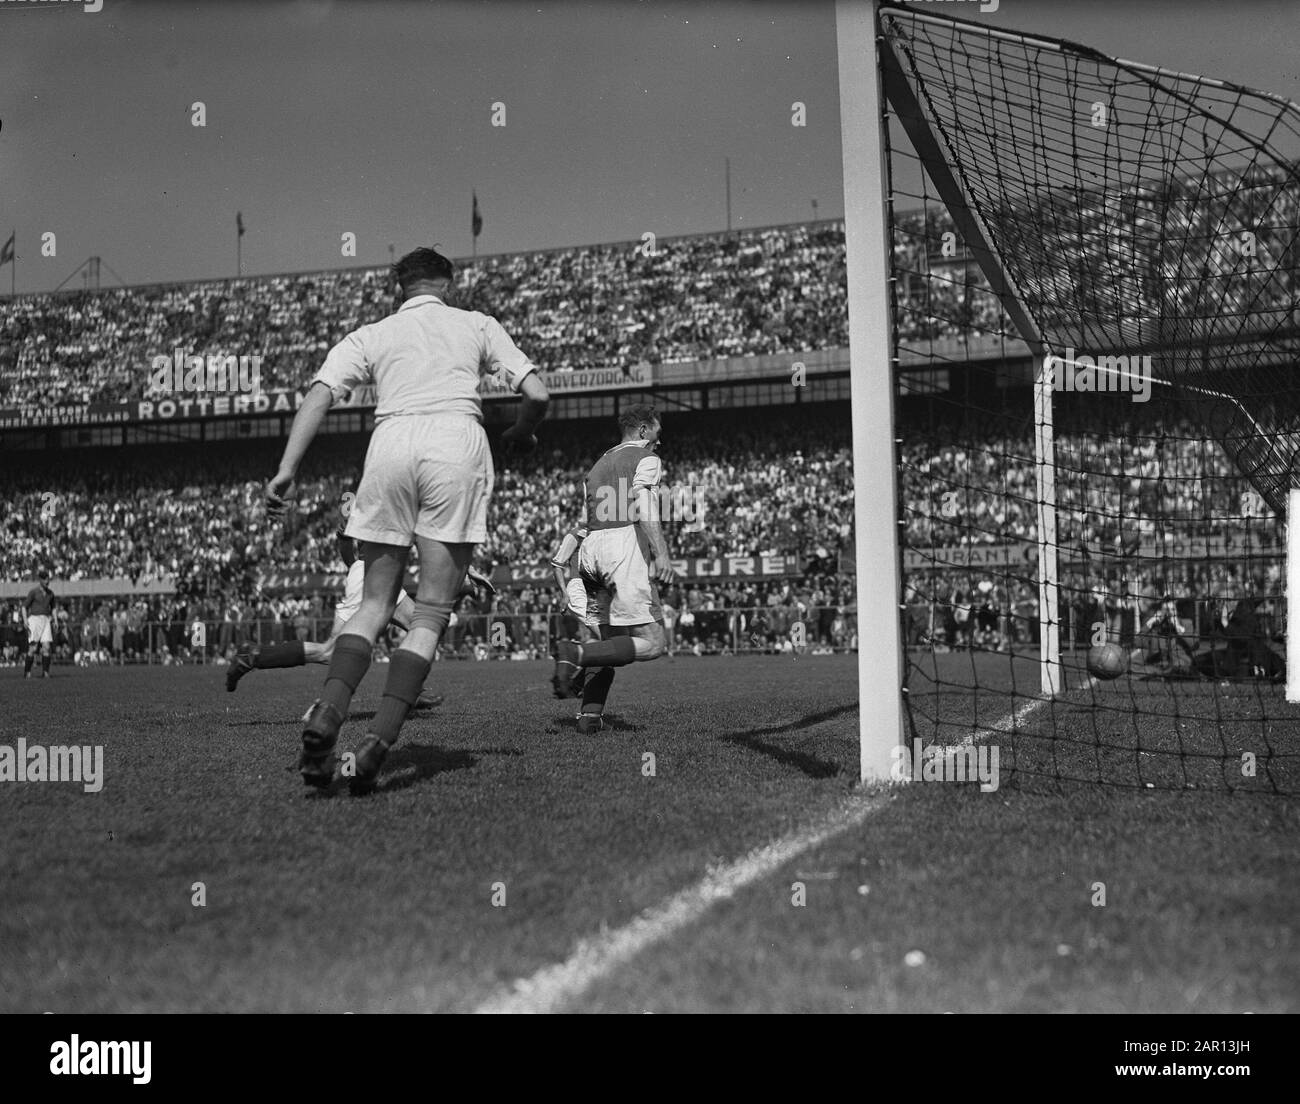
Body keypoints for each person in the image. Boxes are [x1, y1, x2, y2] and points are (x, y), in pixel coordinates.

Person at [266, 245, 548, 792]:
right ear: (448, 281)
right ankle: (378, 744)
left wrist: (286, 469)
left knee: (374, 603)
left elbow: (319, 395)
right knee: (431, 612)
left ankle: (328, 711)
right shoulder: (476, 323)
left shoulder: (372, 334)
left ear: (402, 287)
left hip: (390, 442)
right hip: (455, 441)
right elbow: (536, 392)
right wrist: (518, 432)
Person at [225, 528, 497, 709]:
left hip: (366, 571)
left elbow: (348, 548)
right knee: (421, 628)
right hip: (372, 574)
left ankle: (254, 655)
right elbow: (429, 538)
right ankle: (410, 689)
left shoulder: (377, 497)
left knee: (331, 651)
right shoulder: (399, 493)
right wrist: (466, 570)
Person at [551, 404, 676, 732]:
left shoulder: (597, 465)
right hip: (624, 547)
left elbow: (584, 520)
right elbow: (643, 502)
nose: (659, 443)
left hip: (592, 549)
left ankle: (590, 715)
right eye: (657, 435)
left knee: (608, 642)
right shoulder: (645, 459)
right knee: (653, 642)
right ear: (644, 431)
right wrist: (661, 553)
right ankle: (575, 653)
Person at [22, 570, 57, 679]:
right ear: (41, 580)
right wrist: (24, 620)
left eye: (48, 579)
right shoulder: (34, 592)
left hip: (46, 620)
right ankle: (27, 672)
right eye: (45, 579)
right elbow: (24, 607)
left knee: (46, 647)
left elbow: (54, 608)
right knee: (33, 647)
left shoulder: (51, 593)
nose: (47, 582)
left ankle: (45, 672)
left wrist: (55, 620)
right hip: (34, 620)